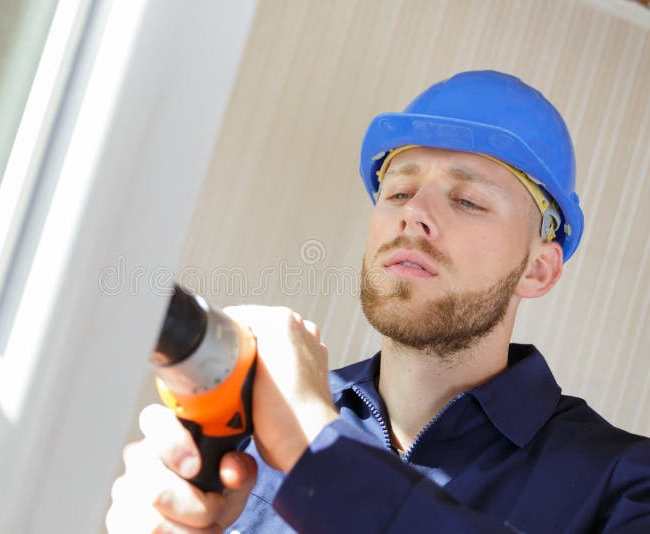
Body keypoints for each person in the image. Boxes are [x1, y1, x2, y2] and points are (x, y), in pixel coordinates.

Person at [107, 71, 650, 533]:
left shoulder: (626, 487)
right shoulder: (252, 436)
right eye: (399, 192)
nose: (413, 213)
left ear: (537, 269)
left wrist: (317, 449)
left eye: (467, 200)